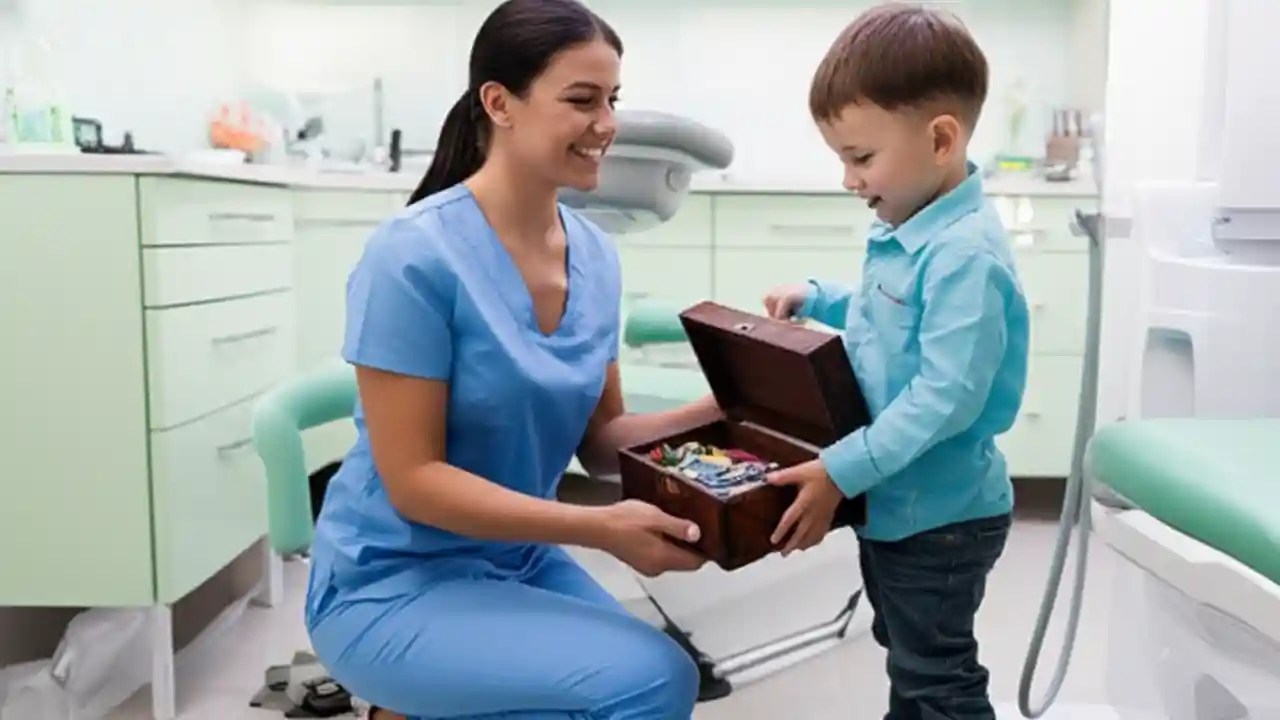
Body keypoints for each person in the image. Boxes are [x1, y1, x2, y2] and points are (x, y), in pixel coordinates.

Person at [302, 2, 723, 718]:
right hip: (391, 582)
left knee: (647, 680)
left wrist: (730, 407)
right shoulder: (413, 256)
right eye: (582, 100)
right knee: (652, 680)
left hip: (513, 560)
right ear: (499, 103)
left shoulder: (596, 259)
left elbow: (604, 447)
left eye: (612, 100)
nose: (607, 125)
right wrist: (602, 530)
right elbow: (415, 485)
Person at [761, 4, 1030, 719]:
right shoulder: (915, 231)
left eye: (860, 157)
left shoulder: (964, 255)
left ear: (941, 139)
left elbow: (944, 397)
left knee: (936, 675)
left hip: (942, 518)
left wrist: (838, 469)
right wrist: (822, 299)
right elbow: (890, 319)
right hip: (901, 508)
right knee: (910, 654)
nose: (849, 179)